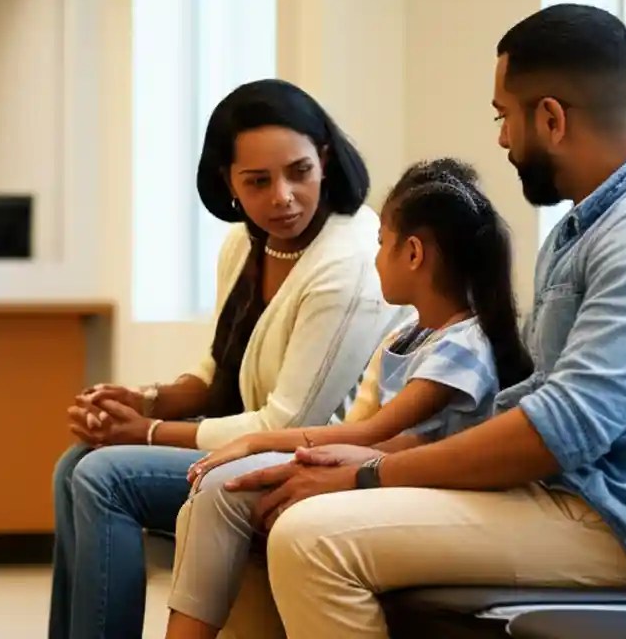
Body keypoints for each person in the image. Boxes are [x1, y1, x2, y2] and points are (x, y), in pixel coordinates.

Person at [198, 4, 626, 639]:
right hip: (555, 496)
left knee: (310, 536)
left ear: (550, 117)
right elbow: (534, 408)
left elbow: (561, 430)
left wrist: (369, 471)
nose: (501, 138)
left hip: (616, 527)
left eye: (503, 116)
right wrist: (370, 453)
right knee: (259, 505)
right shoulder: (590, 227)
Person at [49, 79, 402, 639]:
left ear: (326, 160)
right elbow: (218, 370)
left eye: (299, 172)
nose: (282, 196)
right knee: (74, 462)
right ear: (228, 182)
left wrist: (145, 433)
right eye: (258, 182)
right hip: (248, 444)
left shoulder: (347, 263)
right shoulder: (246, 242)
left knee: (103, 476)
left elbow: (287, 423)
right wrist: (143, 400)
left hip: (307, 456)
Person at [163, 158, 533, 639]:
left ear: (414, 253)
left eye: (381, 243)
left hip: (429, 485)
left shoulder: (463, 344)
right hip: (391, 467)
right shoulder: (413, 333)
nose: (375, 257)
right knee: (214, 494)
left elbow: (374, 433)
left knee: (225, 487)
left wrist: (256, 443)